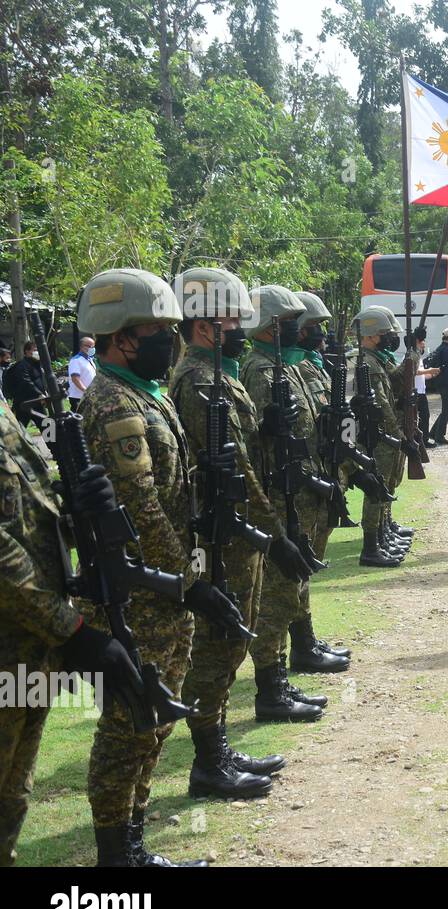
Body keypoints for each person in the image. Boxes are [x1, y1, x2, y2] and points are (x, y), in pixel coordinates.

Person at [76, 268, 243, 866]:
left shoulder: (145, 395)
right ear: (122, 337)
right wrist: (189, 582)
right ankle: (117, 856)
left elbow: (172, 489)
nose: (169, 342)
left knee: (155, 719)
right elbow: (143, 509)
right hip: (142, 594)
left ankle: (136, 848)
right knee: (128, 726)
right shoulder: (114, 403)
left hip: (166, 590)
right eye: (157, 331)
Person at [171, 269, 308, 798]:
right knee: (218, 643)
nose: (239, 327)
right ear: (206, 326)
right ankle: (208, 761)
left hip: (239, 531)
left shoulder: (220, 374)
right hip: (222, 535)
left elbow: (244, 452)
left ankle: (218, 748)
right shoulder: (201, 381)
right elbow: (237, 472)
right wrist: (274, 535)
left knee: (233, 638)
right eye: (230, 319)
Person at [1, 386, 145, 866]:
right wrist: (74, 631)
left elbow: (23, 509)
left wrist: (72, 501)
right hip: (27, 635)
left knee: (13, 796)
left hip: (30, 651)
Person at [242, 285, 338, 723]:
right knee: (278, 591)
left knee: (297, 580)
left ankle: (297, 652)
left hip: (299, 486)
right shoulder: (260, 369)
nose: (299, 331)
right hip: (281, 492)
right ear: (268, 327)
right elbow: (262, 444)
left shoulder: (281, 365)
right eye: (288, 324)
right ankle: (271, 684)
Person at [290, 291, 355, 664]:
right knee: (294, 573)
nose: (320, 335)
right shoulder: (275, 370)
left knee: (307, 567)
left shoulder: (311, 365)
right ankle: (300, 648)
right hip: (300, 487)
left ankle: (306, 641)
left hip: (320, 478)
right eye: (313, 328)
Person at [355, 306, 413, 567]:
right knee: (377, 489)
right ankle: (371, 546)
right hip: (379, 437)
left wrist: (414, 352)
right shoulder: (367, 363)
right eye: (384, 333)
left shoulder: (379, 358)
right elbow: (381, 406)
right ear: (368, 336)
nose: (389, 337)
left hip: (388, 435)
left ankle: (383, 534)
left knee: (387, 484)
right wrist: (399, 436)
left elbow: (399, 383)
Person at [2, 341, 43, 427]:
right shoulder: (22, 366)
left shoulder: (36, 364)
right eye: (35, 350)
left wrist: (43, 392)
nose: (37, 352)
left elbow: (39, 381)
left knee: (48, 427)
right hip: (24, 404)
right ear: (27, 351)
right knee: (20, 428)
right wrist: (39, 393)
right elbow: (26, 382)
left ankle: (54, 441)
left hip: (37, 402)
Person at [66, 336, 96, 412]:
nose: (91, 348)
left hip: (88, 396)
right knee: (78, 422)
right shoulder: (76, 360)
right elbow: (75, 379)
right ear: (81, 347)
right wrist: (86, 391)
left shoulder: (90, 360)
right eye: (88, 346)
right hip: (78, 397)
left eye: (92, 346)